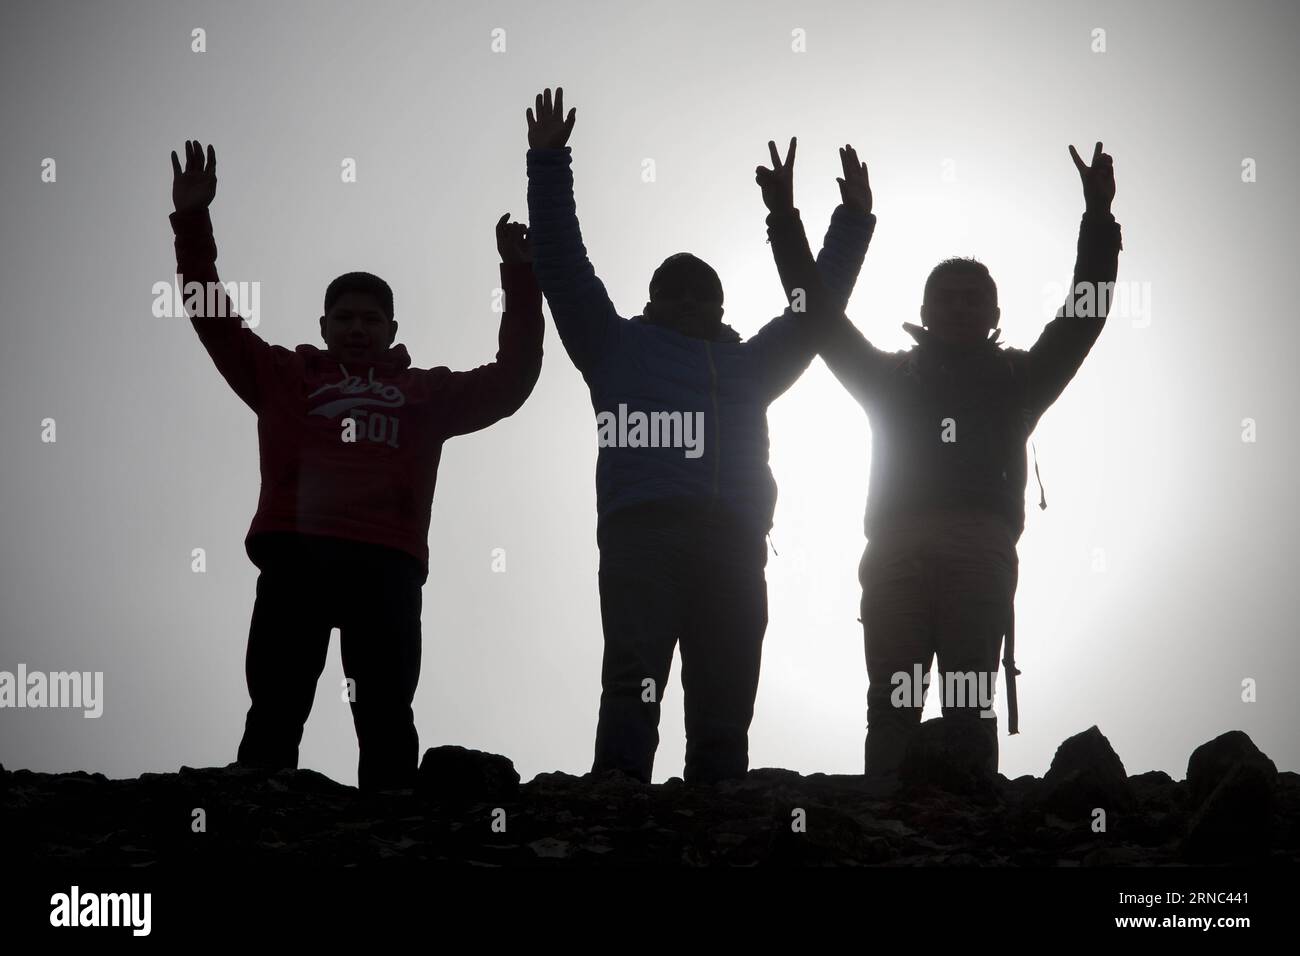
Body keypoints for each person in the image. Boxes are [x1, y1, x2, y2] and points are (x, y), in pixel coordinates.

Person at [523, 88, 877, 783]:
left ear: (721, 305)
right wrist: (547, 161)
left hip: (734, 544)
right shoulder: (613, 346)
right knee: (634, 681)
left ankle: (718, 822)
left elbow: (813, 312)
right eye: (673, 294)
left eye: (702, 296)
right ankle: (617, 808)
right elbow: (563, 266)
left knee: (724, 702)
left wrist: (845, 222)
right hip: (642, 536)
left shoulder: (749, 365)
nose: (687, 304)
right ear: (650, 300)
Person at [168, 140, 543, 791]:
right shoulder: (285, 376)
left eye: (371, 319)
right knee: (276, 708)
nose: (358, 328)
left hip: (386, 561)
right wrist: (193, 223)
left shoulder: (424, 394)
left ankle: (392, 835)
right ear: (324, 323)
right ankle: (256, 823)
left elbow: (512, 380)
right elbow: (213, 320)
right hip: (298, 554)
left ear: (393, 331)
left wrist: (521, 279)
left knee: (386, 713)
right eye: (344, 317)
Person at [768, 141, 1122, 781]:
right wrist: (787, 221)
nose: (960, 307)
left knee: (967, 703)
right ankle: (885, 823)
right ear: (925, 310)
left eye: (972, 298)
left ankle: (968, 823)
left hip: (980, 543)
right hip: (896, 545)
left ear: (993, 313)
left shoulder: (1021, 378)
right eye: (947, 298)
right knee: (892, 705)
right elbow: (817, 316)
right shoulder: (887, 377)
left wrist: (1098, 219)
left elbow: (1084, 314)